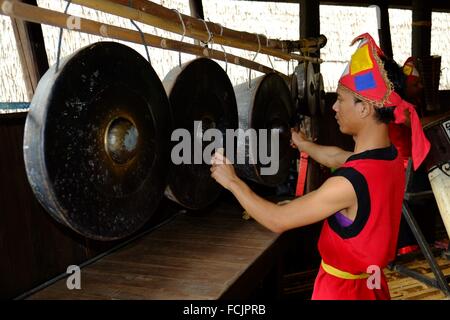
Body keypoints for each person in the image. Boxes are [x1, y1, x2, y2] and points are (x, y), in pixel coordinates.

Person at [210, 33, 430, 300]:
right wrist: (303, 144)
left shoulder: (346, 184)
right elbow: (337, 157)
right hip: (373, 286)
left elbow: (277, 220)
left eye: (341, 99)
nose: (334, 107)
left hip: (342, 292)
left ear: (365, 109)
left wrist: (232, 181)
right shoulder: (390, 158)